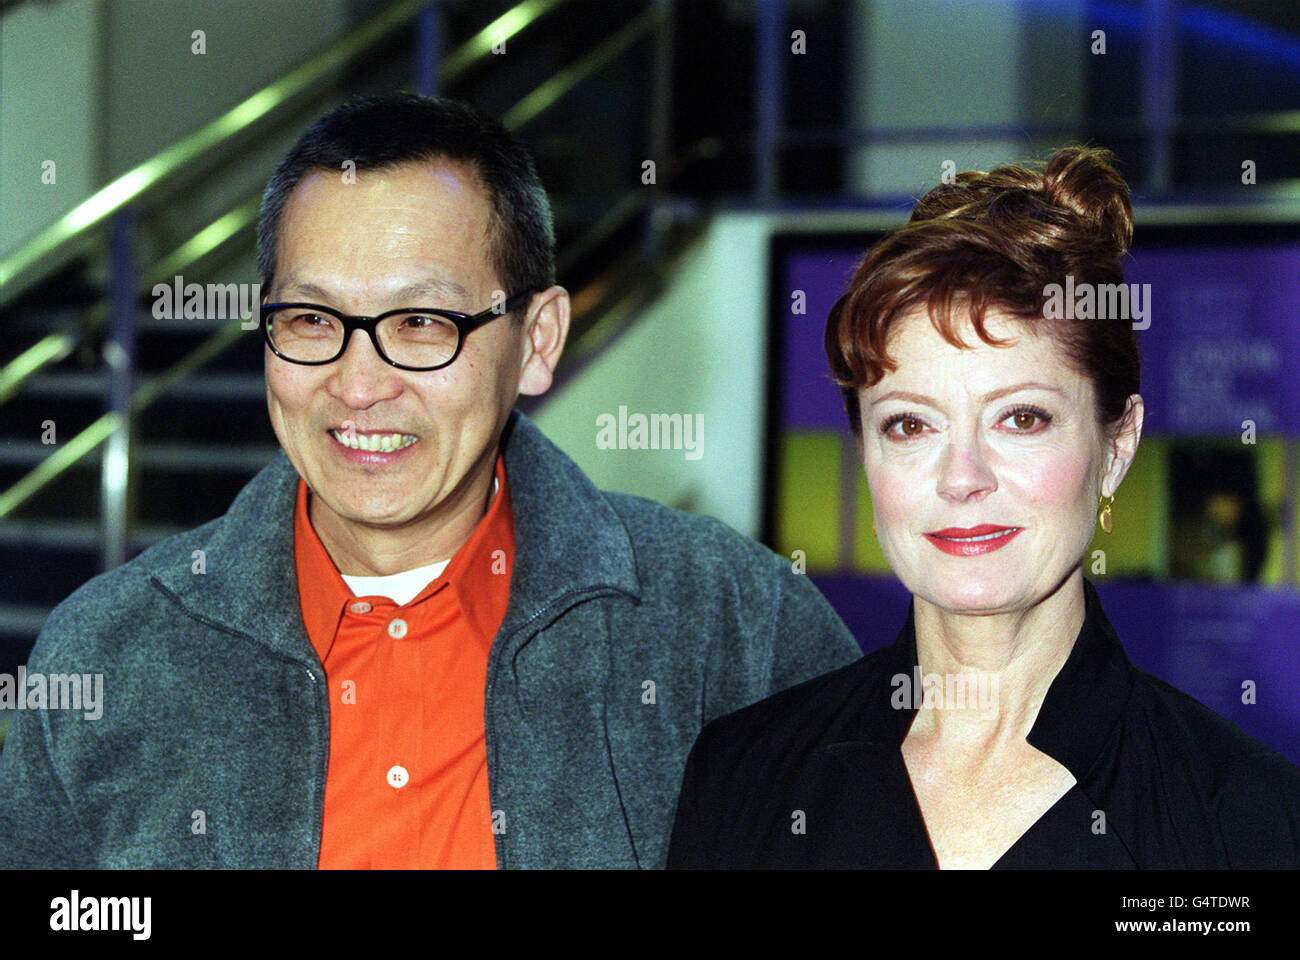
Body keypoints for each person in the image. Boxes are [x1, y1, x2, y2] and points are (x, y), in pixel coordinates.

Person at [0, 93, 861, 869]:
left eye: (421, 322)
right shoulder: (110, 657)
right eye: (311, 318)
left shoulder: (736, 630)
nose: (359, 381)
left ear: (539, 340)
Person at [666, 146, 1300, 869]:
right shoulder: (744, 775)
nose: (962, 477)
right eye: (910, 425)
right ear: (866, 454)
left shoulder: (1251, 829)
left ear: (1117, 446)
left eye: (1021, 419)